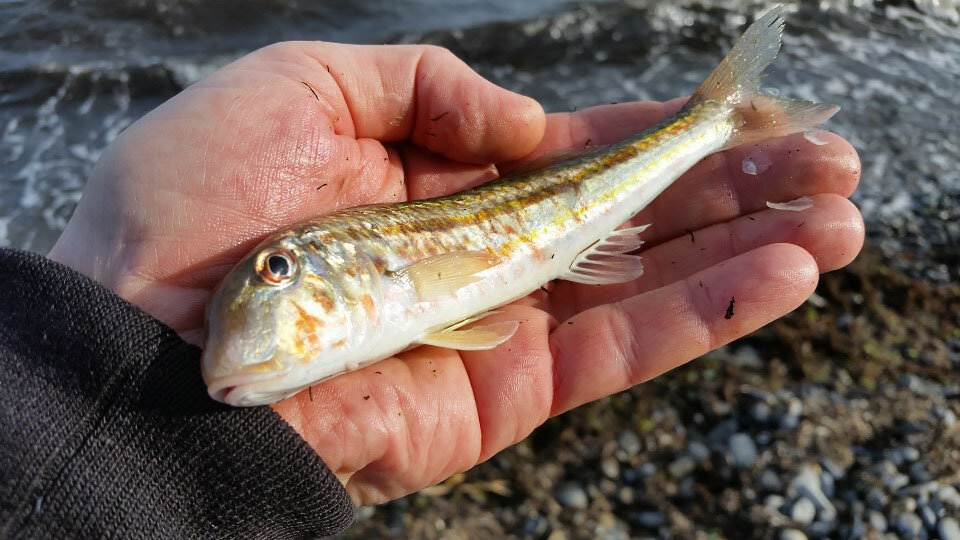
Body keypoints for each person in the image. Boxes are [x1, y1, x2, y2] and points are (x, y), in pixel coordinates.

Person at [0, 42, 863, 538]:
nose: (273, 275)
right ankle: (717, 116)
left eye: (278, 269)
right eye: (274, 269)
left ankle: (718, 116)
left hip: (552, 219)